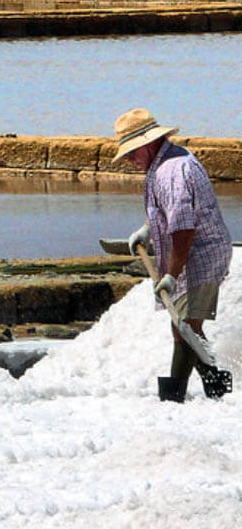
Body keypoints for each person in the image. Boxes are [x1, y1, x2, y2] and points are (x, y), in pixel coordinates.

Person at [113, 107, 233, 402]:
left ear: (148, 143)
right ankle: (218, 386)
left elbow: (183, 230)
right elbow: (166, 213)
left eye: (131, 153)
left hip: (202, 254)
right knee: (185, 324)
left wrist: (170, 275)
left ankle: (174, 397)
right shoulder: (163, 164)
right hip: (190, 253)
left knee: (184, 325)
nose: (129, 160)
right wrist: (147, 230)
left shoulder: (172, 171)